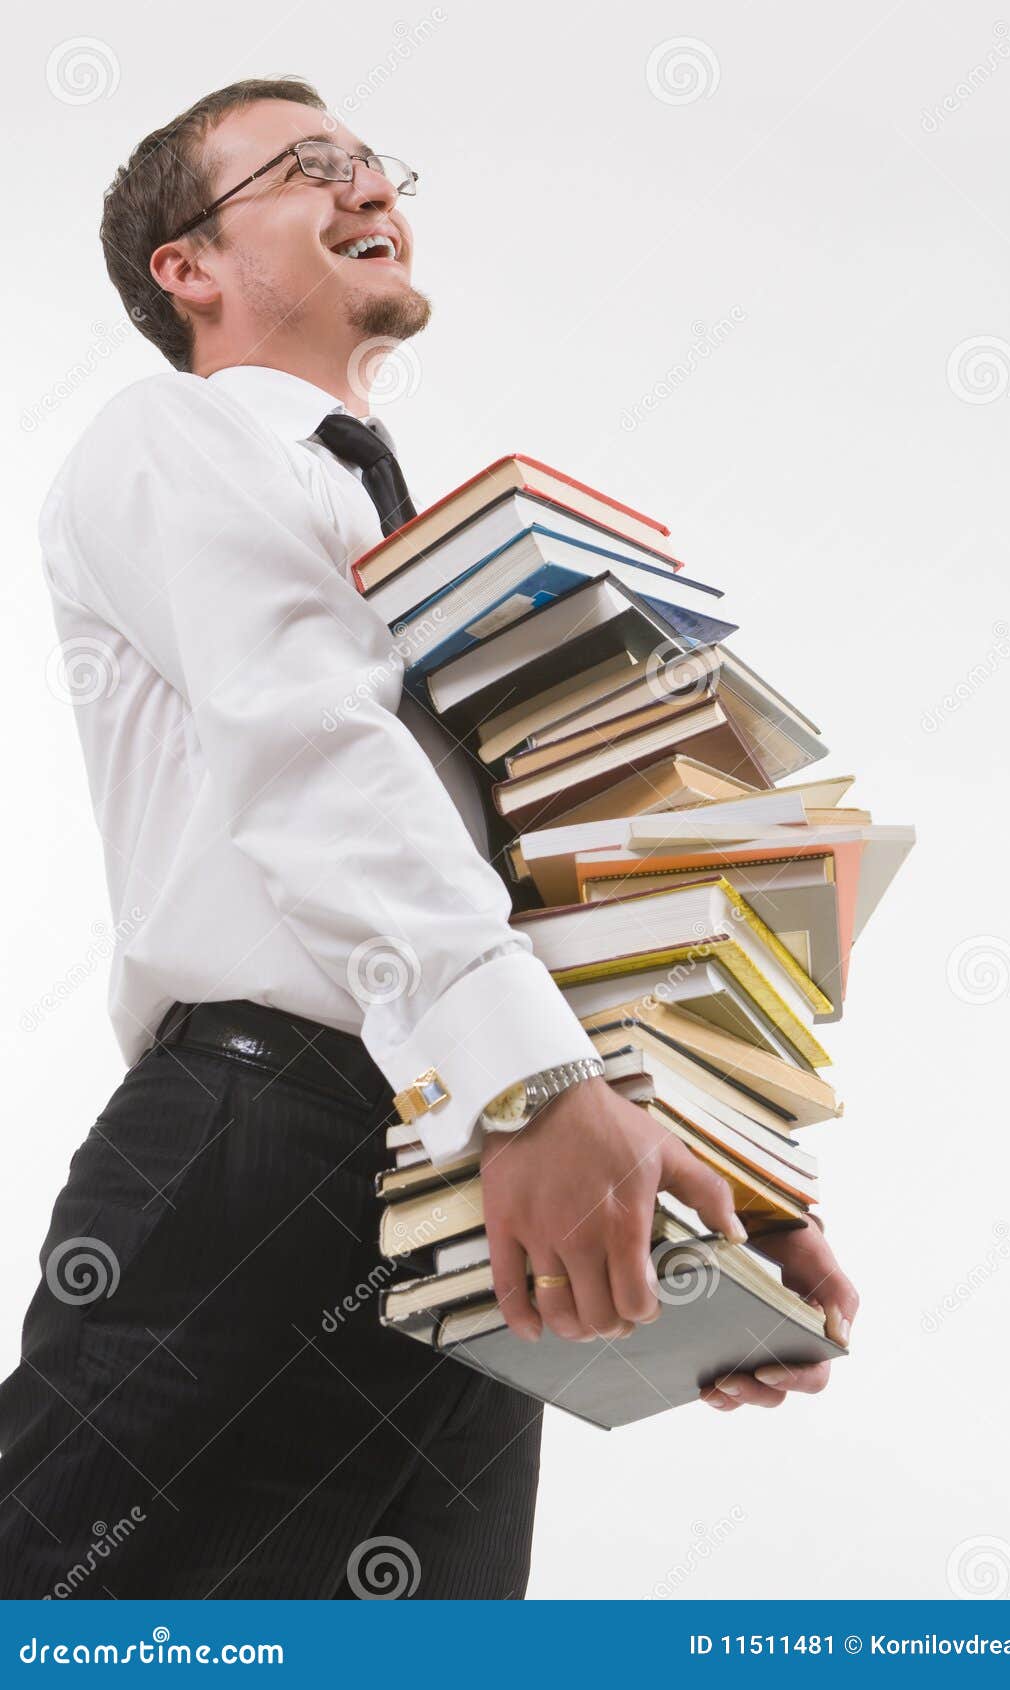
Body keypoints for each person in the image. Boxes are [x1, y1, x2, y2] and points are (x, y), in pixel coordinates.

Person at [0, 77, 858, 1600]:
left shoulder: (425, 559)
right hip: (262, 1141)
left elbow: (522, 888)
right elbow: (313, 755)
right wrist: (531, 1082)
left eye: (374, 163)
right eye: (306, 167)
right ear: (182, 267)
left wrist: (698, 1196)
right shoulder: (176, 439)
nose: (367, 185)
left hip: (467, 1170)